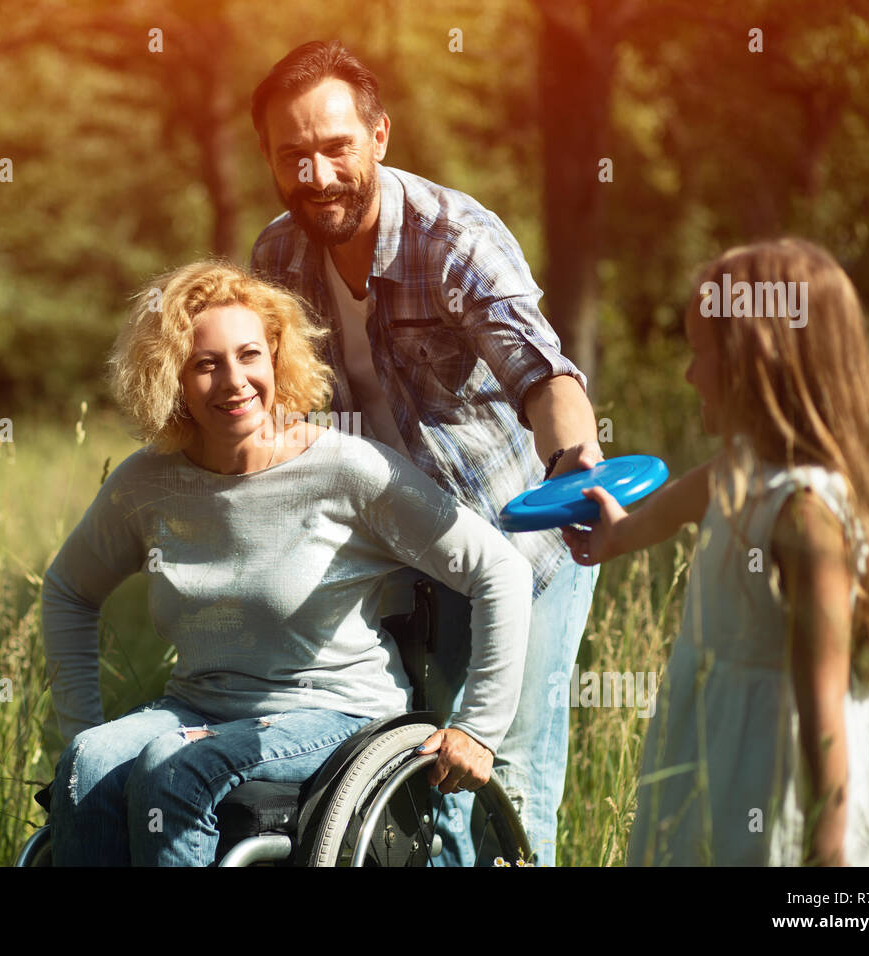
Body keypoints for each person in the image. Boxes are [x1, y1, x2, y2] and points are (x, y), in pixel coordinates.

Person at [41, 260, 533, 866]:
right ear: (170, 375)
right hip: (197, 706)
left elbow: (499, 570)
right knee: (87, 763)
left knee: (174, 770)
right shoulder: (146, 484)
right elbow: (68, 588)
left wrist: (480, 727)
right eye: (205, 364)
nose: (233, 382)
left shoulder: (348, 470)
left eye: (249, 355)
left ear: (275, 355)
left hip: (333, 710)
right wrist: (83, 725)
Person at [248, 40, 601, 865]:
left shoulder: (454, 239)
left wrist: (574, 461)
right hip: (395, 553)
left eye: (335, 147)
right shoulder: (276, 258)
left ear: (378, 136)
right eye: (292, 155)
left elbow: (543, 374)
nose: (318, 174)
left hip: (520, 546)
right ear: (269, 159)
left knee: (501, 777)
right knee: (413, 773)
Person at [562, 238, 869, 865]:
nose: (688, 374)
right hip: (707, 762)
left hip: (772, 788)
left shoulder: (805, 516)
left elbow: (825, 710)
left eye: (701, 355)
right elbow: (683, 498)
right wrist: (618, 533)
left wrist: (830, 849)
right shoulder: (743, 469)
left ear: (757, 368)